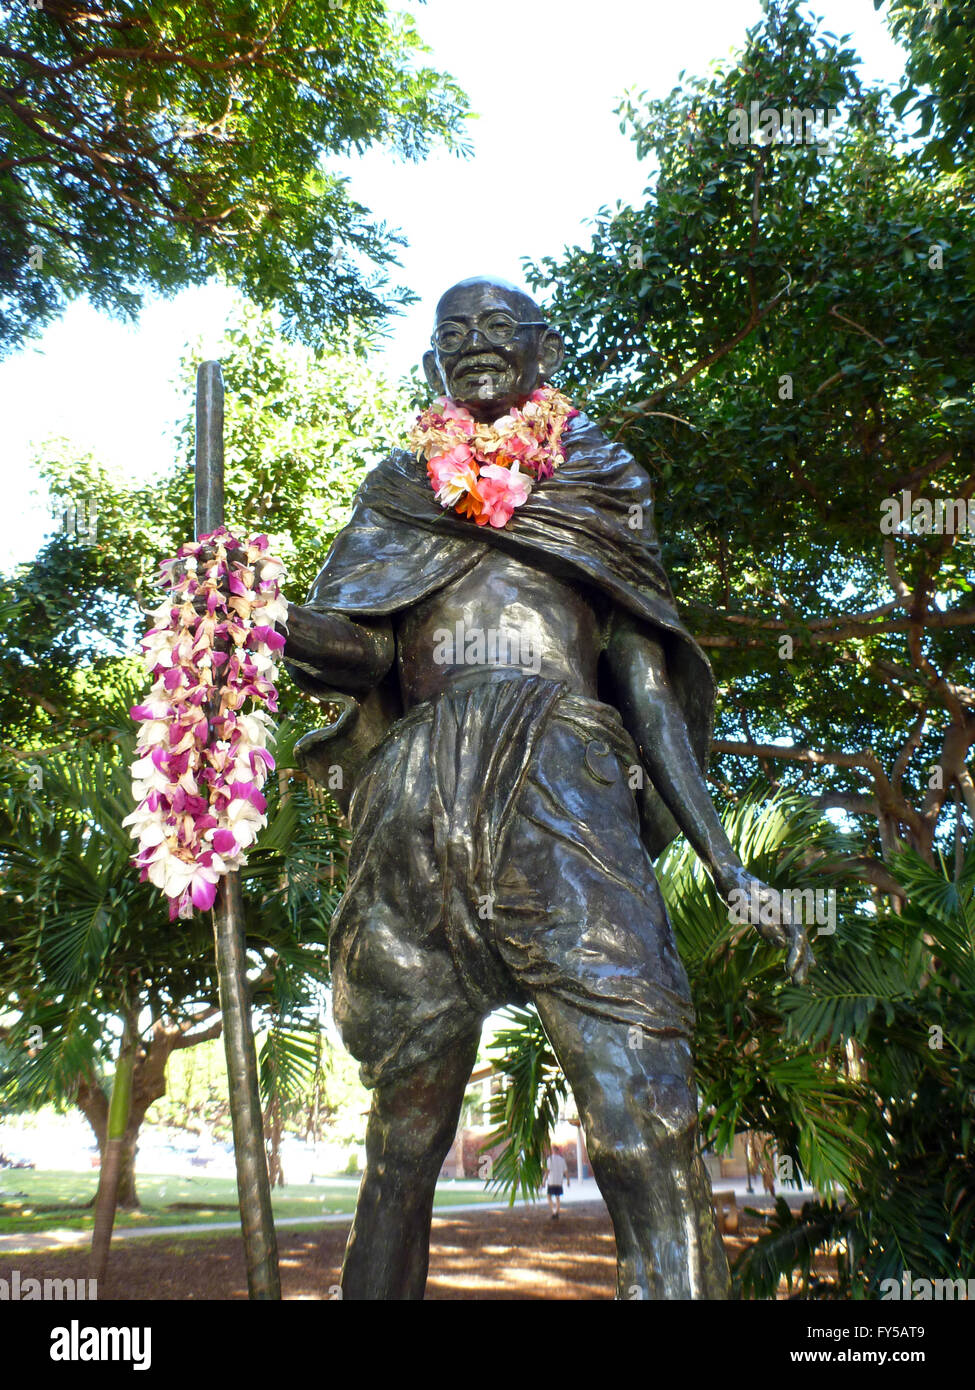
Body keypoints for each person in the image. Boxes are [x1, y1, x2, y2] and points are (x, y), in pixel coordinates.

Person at [283, 276, 812, 1300]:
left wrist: (724, 856)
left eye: (497, 329)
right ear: (434, 364)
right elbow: (360, 651)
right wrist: (260, 615)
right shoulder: (401, 490)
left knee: (645, 1111)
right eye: (453, 334)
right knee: (405, 1128)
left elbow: (646, 682)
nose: (475, 346)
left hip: (562, 780)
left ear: (543, 350)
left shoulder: (599, 478)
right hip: (417, 797)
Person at [544, 1148, 569, 1219]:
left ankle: (553, 1211)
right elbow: (566, 1171)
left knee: (549, 1196)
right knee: (557, 1197)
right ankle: (557, 1212)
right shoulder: (562, 1160)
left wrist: (543, 1181)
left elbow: (547, 1171)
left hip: (551, 1181)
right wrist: (568, 1180)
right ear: (558, 1151)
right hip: (559, 1181)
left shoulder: (549, 1159)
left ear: (553, 1151)